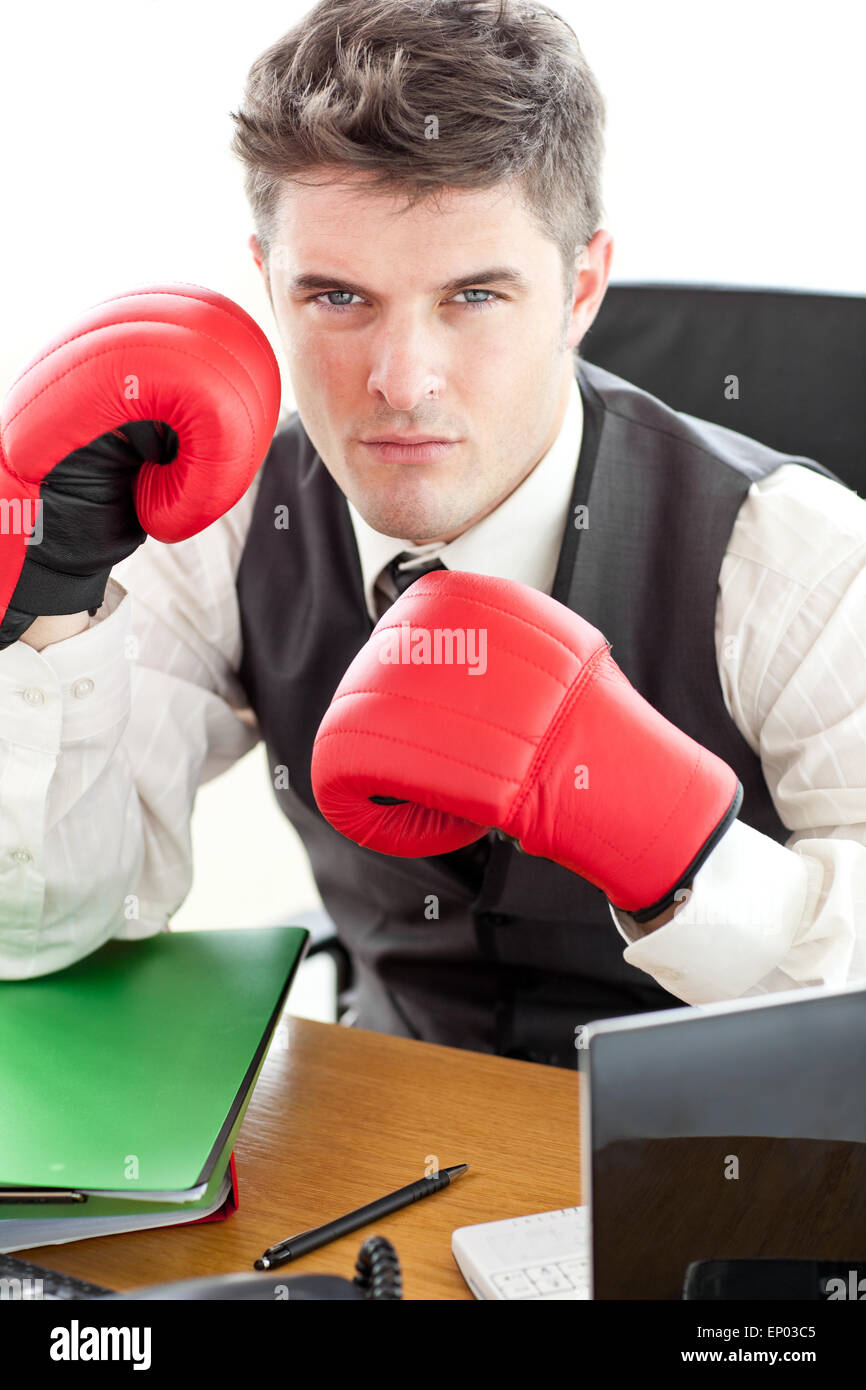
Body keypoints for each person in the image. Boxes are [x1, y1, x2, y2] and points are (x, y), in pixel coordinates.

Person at [0, 0, 864, 1069]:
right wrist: (47, 607)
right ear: (268, 280)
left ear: (579, 286)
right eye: (336, 297)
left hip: (712, 1165)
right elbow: (46, 929)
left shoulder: (793, 559)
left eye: (471, 295)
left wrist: (683, 856)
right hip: (381, 1132)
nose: (400, 382)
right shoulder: (223, 526)